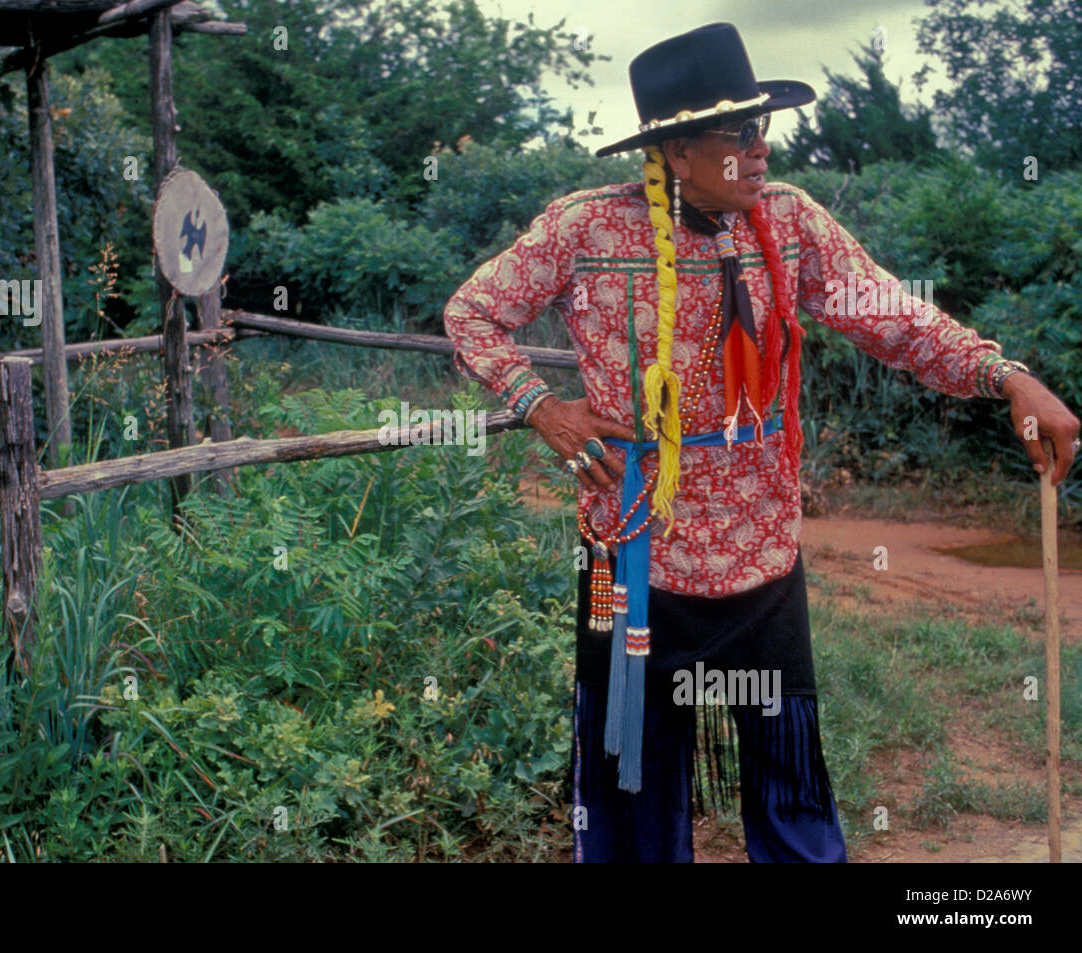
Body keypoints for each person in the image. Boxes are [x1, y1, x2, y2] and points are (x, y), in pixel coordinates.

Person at [442, 22, 1080, 863]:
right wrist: (538, 405)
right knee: (628, 764)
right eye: (737, 133)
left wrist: (1006, 376)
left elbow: (892, 316)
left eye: (762, 127)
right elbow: (472, 311)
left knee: (788, 770)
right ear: (674, 148)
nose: (761, 147)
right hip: (630, 549)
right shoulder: (583, 229)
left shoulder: (791, 222)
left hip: (763, 546)